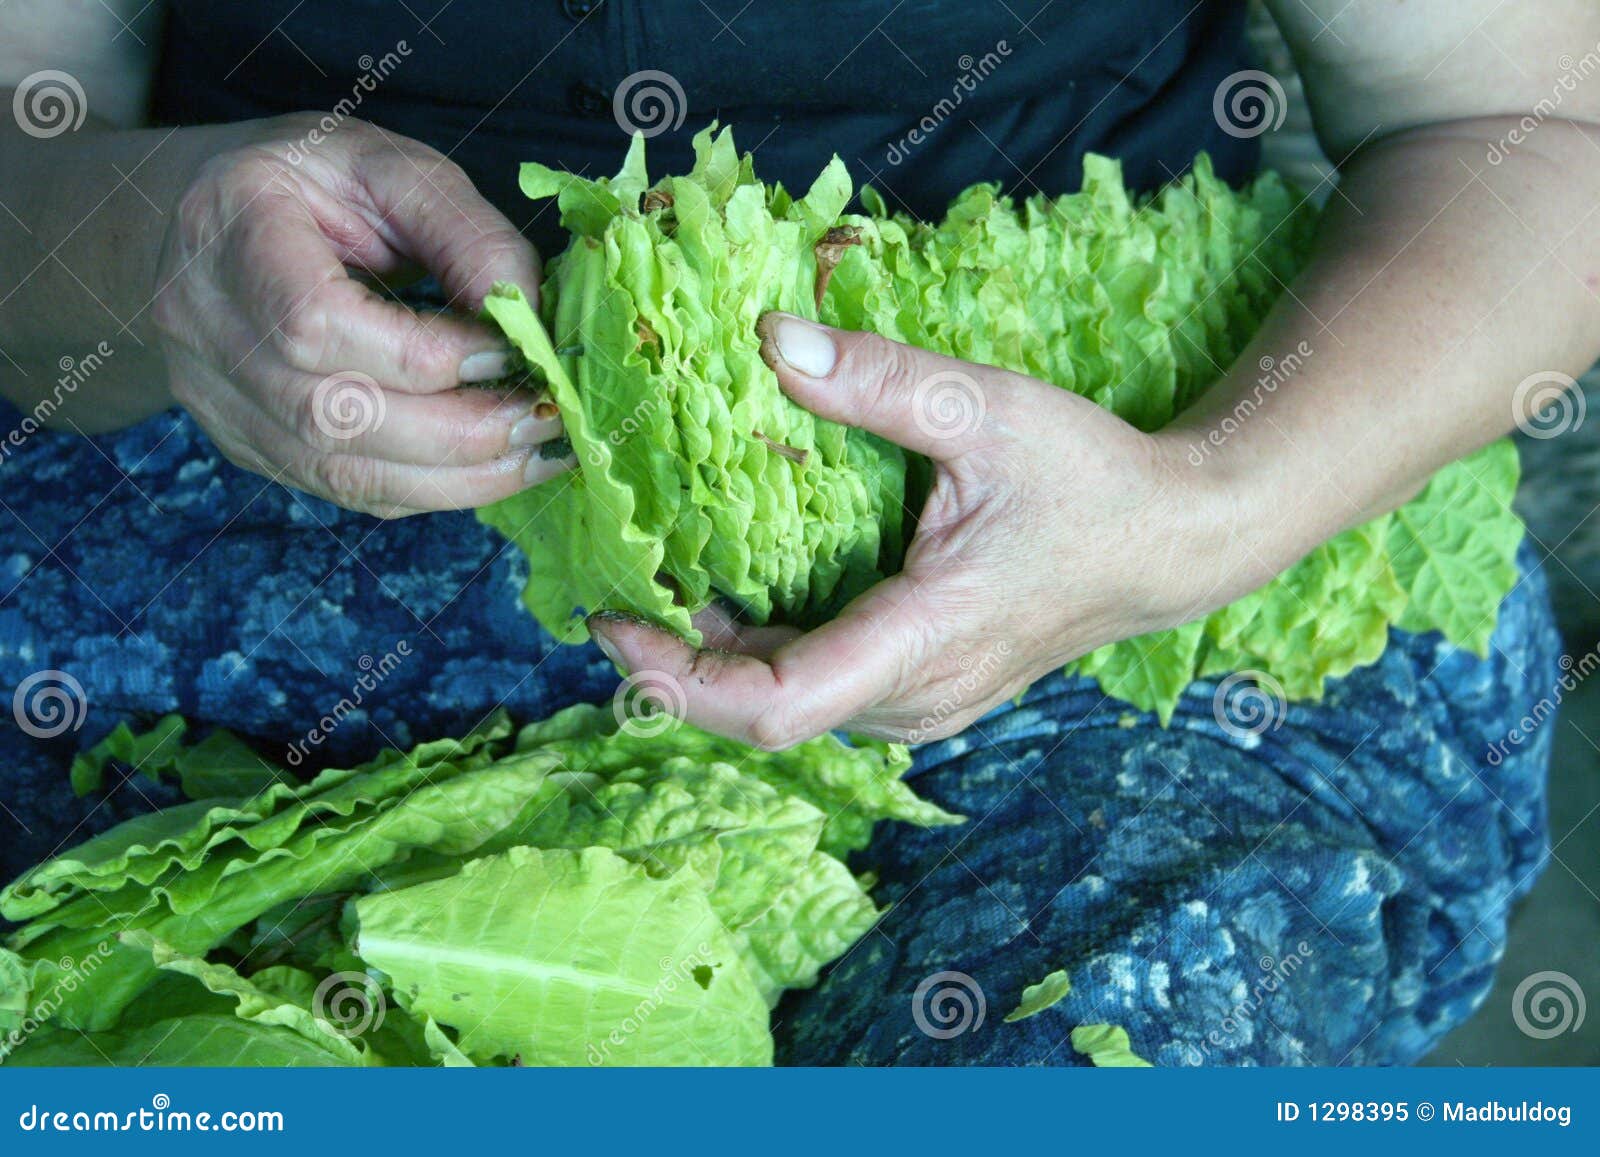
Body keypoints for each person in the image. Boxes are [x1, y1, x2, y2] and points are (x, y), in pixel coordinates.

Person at [0, 1, 1588, 1064]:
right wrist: (164, 245)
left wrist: (1194, 512)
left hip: (1108, 584)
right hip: (244, 542)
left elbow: (1530, 137)